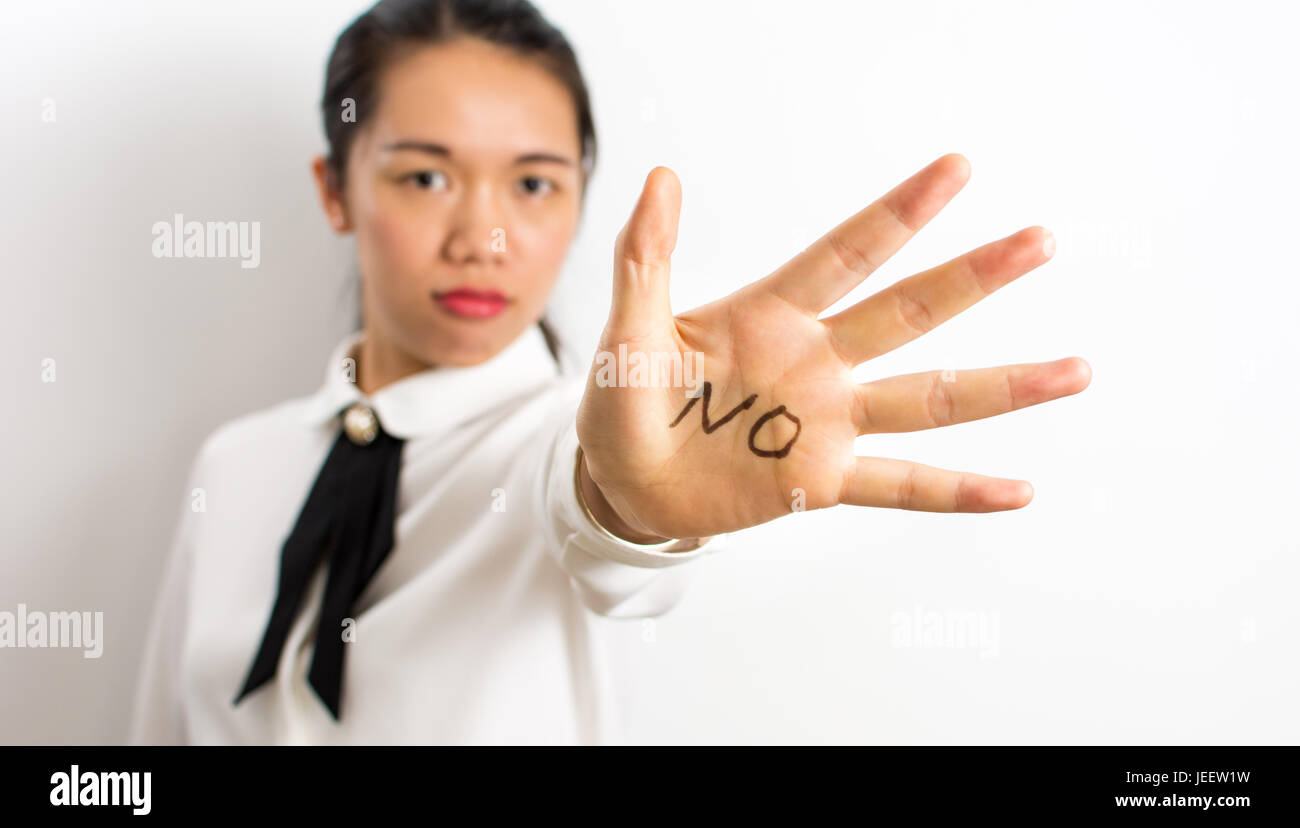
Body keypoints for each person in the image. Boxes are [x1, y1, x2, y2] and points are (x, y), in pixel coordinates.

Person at [129, 0, 1091, 745]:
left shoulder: (568, 440)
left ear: (582, 199)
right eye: (424, 176)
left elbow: (590, 508)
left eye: (535, 182)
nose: (483, 236)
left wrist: (631, 505)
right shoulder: (235, 465)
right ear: (336, 189)